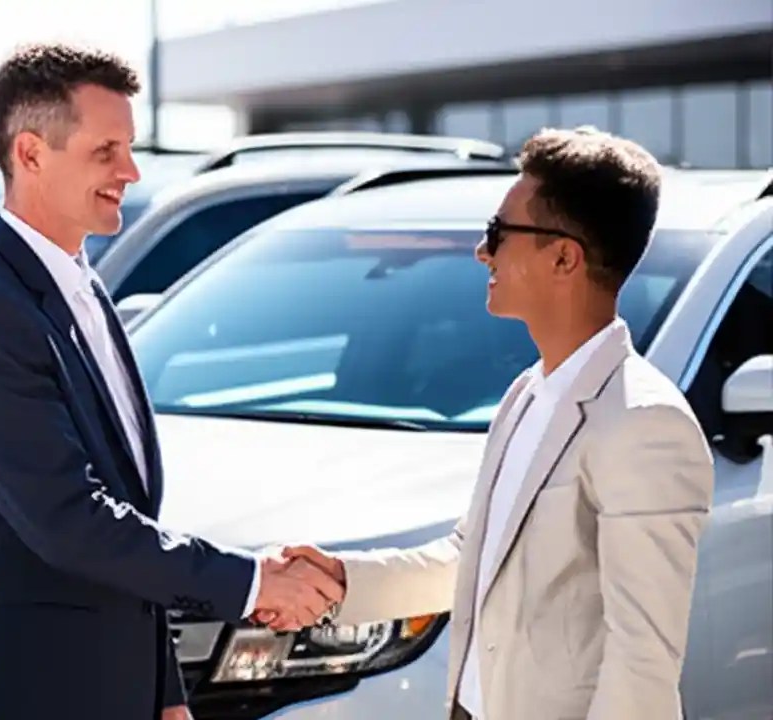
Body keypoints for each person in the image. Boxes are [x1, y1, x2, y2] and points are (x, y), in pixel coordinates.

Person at [0, 42, 343, 720]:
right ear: (30, 154)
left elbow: (128, 519)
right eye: (105, 150)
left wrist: (162, 691)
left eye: (129, 147)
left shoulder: (82, 286)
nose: (131, 171)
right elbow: (71, 522)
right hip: (26, 694)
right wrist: (253, 582)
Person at [272, 127, 715, 720]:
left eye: (498, 233)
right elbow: (474, 558)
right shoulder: (526, 394)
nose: (484, 252)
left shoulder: (644, 422)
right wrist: (345, 581)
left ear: (564, 257)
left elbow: (643, 662)